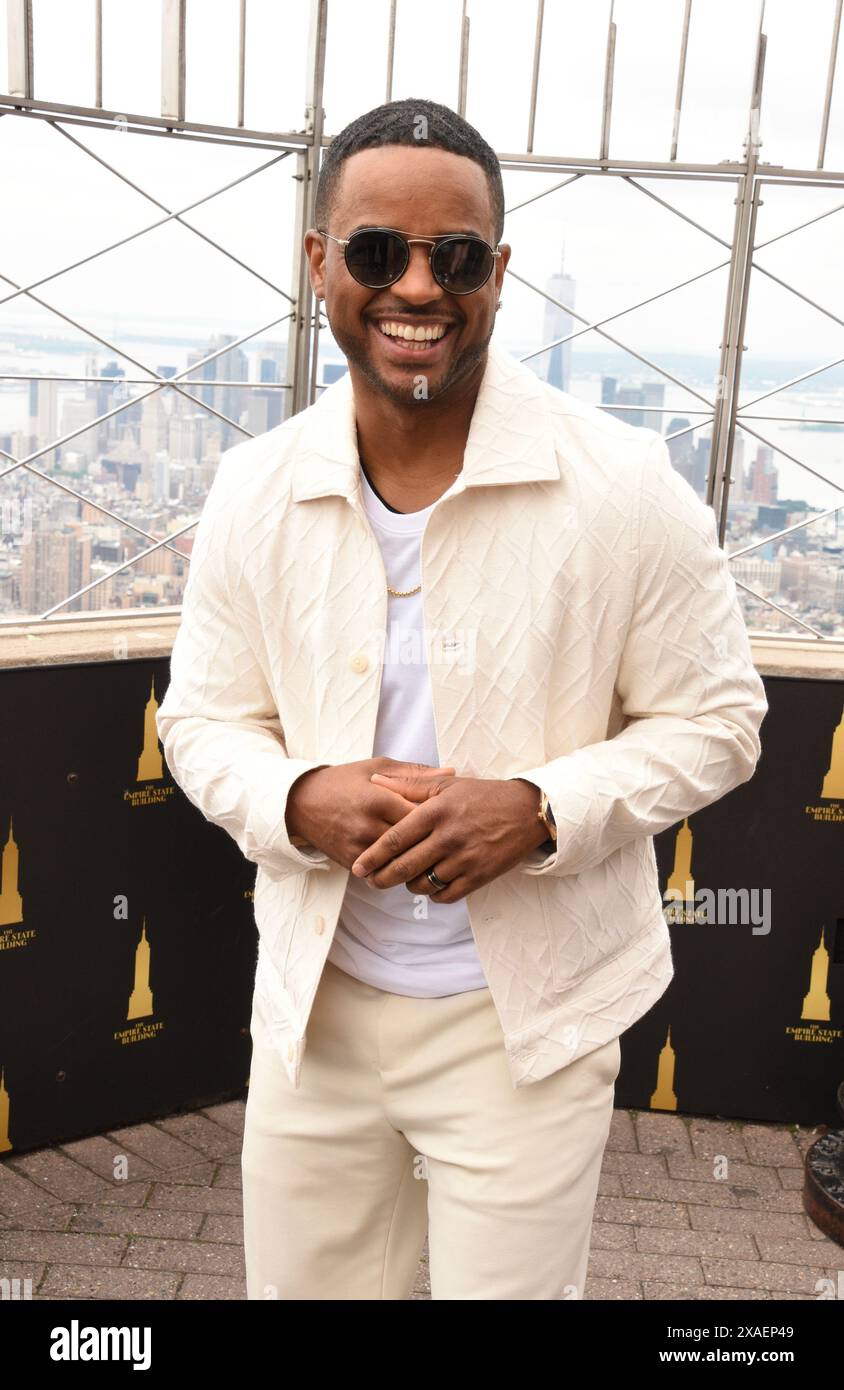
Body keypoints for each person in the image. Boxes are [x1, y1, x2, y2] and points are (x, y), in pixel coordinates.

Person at [155, 97, 768, 1300]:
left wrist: (539, 809)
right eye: (380, 251)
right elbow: (199, 720)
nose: (419, 288)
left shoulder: (619, 485)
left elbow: (719, 718)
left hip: (522, 1026)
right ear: (321, 262)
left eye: (459, 257)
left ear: (499, 271)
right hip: (315, 1013)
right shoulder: (254, 490)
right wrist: (296, 796)